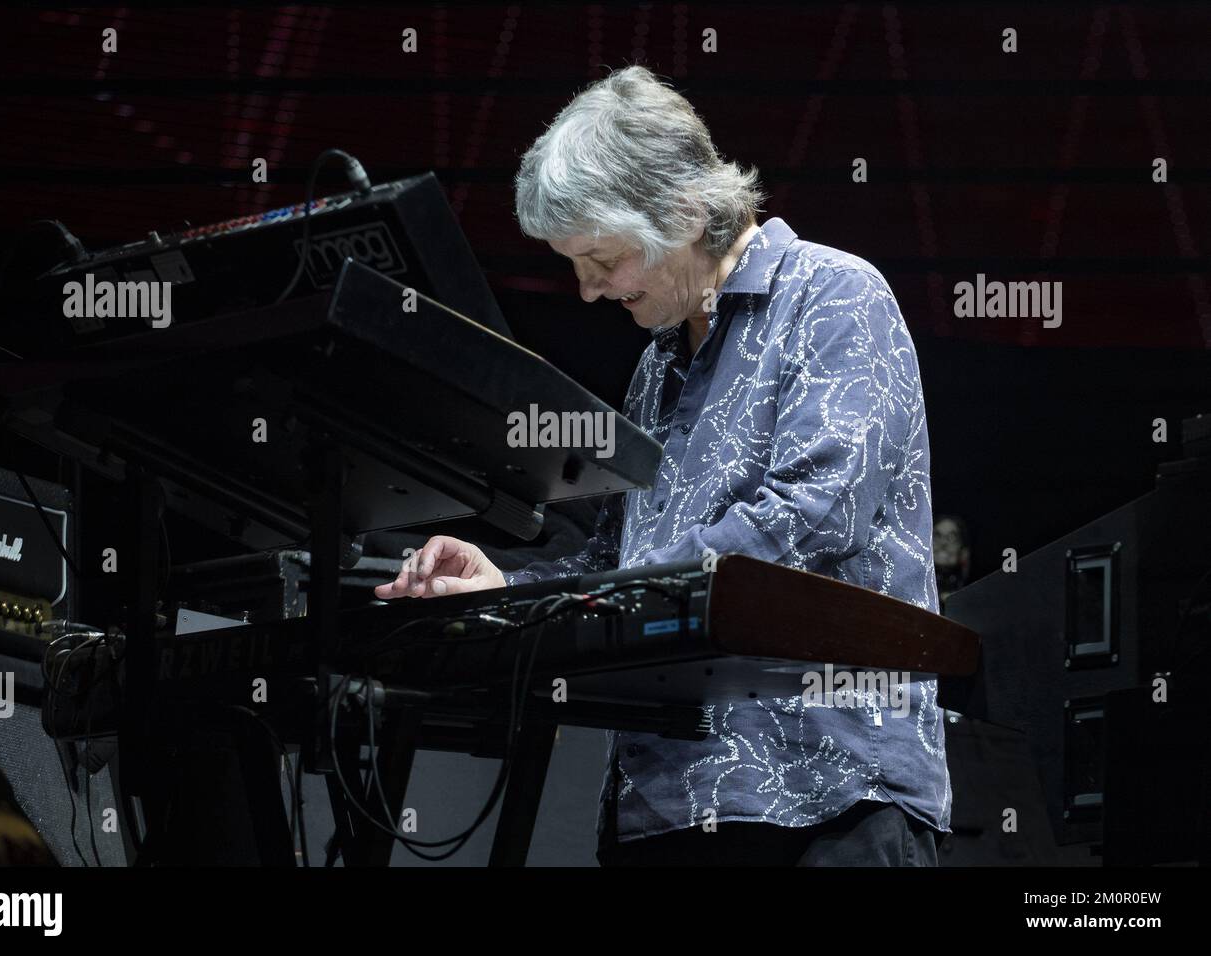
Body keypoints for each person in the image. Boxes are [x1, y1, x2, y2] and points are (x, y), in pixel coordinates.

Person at [375, 65, 946, 866]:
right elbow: (618, 559)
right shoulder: (656, 366)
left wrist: (593, 593)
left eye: (601, 259)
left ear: (681, 211)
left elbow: (814, 514)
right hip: (664, 803)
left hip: (826, 795)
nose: (587, 290)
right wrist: (507, 588)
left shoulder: (836, 296)